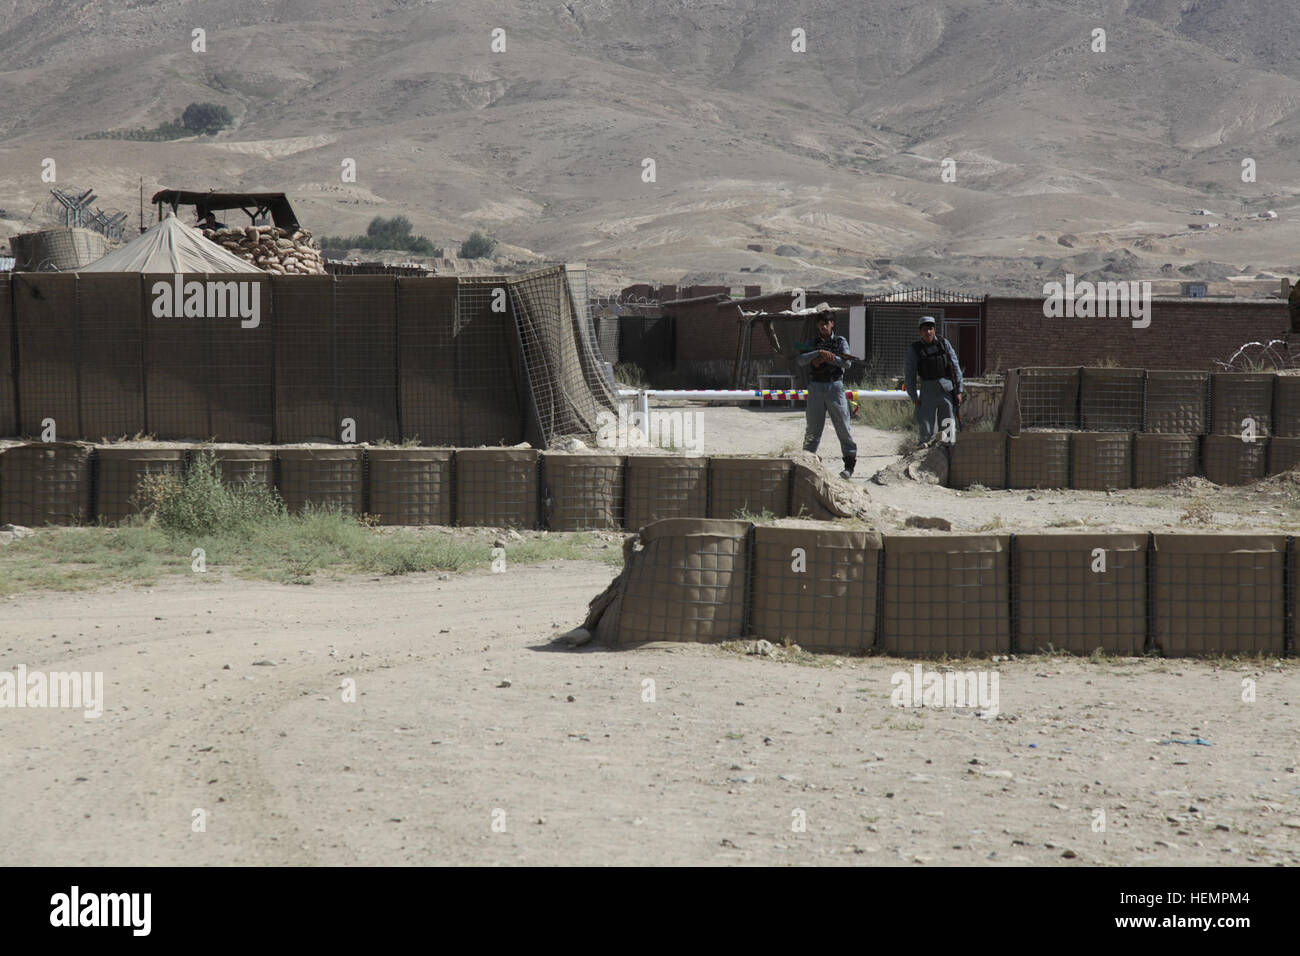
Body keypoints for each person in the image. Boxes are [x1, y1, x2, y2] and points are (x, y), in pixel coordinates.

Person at [797, 313, 858, 478]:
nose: (823, 327)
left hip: (834, 387)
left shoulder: (840, 341)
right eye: (820, 324)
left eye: (826, 323)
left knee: (843, 427)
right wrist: (817, 353)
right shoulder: (813, 343)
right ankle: (807, 462)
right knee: (813, 428)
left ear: (832, 324)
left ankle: (849, 465)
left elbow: (847, 363)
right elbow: (801, 359)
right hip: (816, 387)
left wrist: (829, 358)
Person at [905, 316, 963, 443]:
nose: (928, 332)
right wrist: (914, 397)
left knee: (948, 429)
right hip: (927, 391)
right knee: (926, 430)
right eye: (925, 329)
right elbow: (909, 375)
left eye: (931, 329)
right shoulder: (915, 349)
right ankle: (923, 458)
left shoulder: (944, 343)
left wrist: (959, 391)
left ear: (934, 330)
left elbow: (955, 366)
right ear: (919, 332)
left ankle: (948, 455)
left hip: (946, 390)